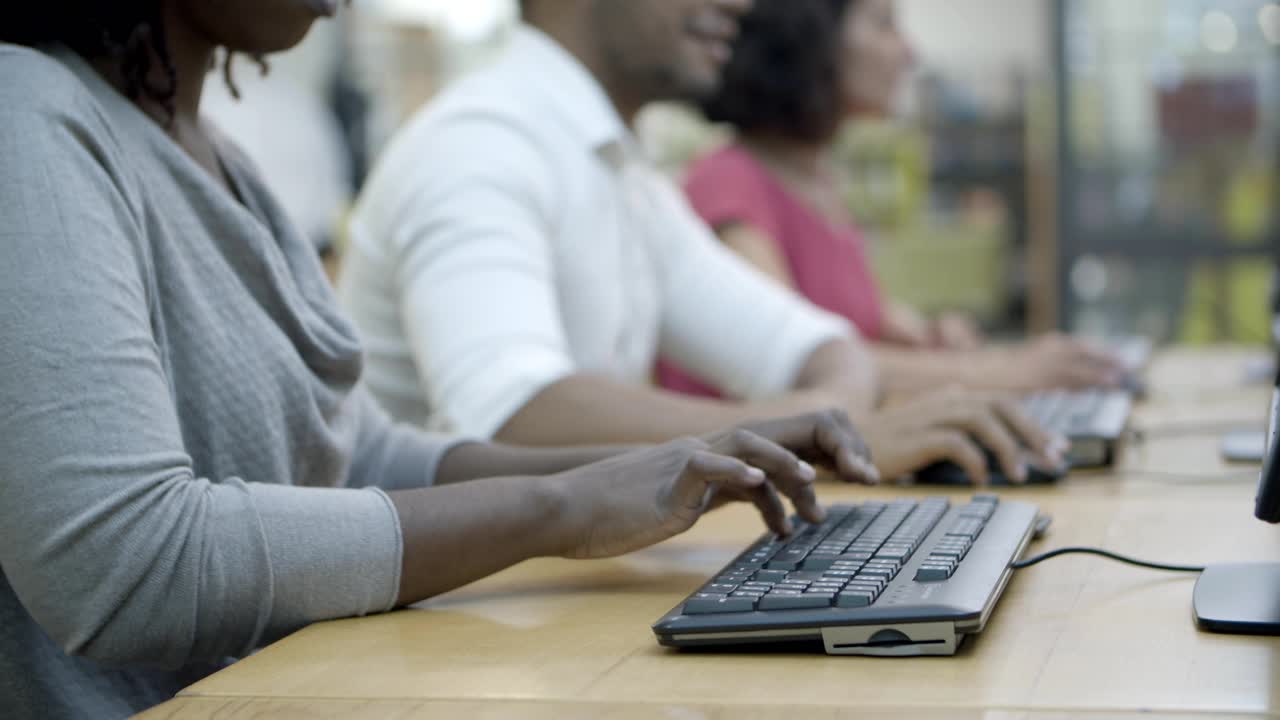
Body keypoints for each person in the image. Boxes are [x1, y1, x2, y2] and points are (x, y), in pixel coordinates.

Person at [0, 3, 882, 718]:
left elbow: (360, 458)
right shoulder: (28, 119)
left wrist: (655, 468)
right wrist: (557, 507)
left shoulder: (223, 157)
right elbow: (120, 564)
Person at [339, 0, 1065, 485]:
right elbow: (513, 417)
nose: (743, 4)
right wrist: (831, 433)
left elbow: (814, 343)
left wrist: (842, 423)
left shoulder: (623, 173)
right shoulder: (481, 145)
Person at [658, 0, 1127, 399]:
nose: (909, 53)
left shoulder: (819, 183)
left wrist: (931, 339)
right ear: (808, 43)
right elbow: (793, 367)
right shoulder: (729, 184)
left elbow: (863, 329)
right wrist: (1003, 372)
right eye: (884, 24)